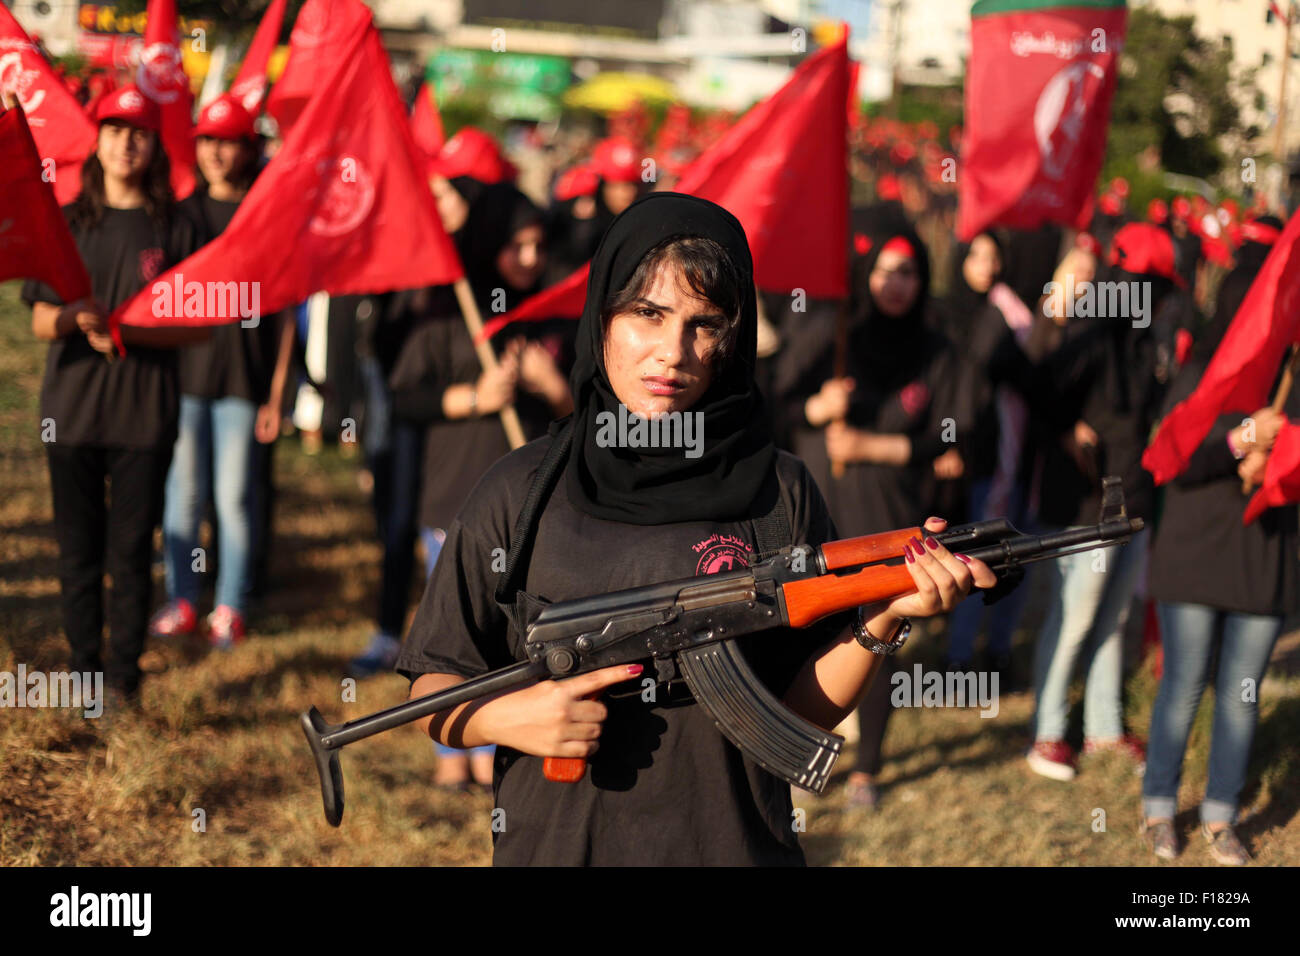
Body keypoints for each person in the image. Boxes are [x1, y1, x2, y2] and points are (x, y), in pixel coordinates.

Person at [394, 192, 996, 865]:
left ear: (731, 340)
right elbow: (432, 682)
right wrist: (507, 717)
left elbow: (801, 716)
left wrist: (883, 616)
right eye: (647, 314)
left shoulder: (778, 489)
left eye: (704, 324)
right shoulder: (520, 491)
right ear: (602, 317)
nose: (672, 352)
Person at [23, 86, 206, 704]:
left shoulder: (177, 226)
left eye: (141, 132)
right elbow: (38, 320)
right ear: (95, 141)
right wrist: (77, 318)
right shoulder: (66, 221)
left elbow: (198, 321)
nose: (126, 143)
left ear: (155, 146)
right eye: (114, 130)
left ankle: (124, 678)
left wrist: (134, 325)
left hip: (143, 416)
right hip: (70, 416)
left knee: (129, 552)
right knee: (78, 552)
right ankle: (84, 673)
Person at [385, 182, 571, 790]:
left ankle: (495, 742)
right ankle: (450, 752)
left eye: (538, 245)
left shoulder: (552, 313)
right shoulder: (451, 307)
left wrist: (552, 387)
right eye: (515, 245)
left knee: (514, 628)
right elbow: (404, 396)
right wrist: (472, 397)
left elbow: (588, 415)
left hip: (535, 502)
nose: (528, 258)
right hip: (454, 496)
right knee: (457, 620)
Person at [789, 222, 961, 810]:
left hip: (889, 510)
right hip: (820, 505)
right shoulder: (836, 333)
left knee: (881, 626)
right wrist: (819, 407)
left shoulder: (936, 349)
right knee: (810, 633)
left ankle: (867, 767)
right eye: (884, 270)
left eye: (908, 272)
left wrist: (869, 446)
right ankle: (802, 754)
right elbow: (775, 403)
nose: (895, 284)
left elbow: (949, 437)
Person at [1139, 220, 1294, 865]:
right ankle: (1158, 806)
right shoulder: (1204, 368)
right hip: (1197, 550)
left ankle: (1223, 812)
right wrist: (1243, 440)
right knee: (1185, 686)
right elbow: (1173, 458)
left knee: (1243, 691)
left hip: (1264, 554)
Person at [1024, 223, 1179, 781]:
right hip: (1088, 506)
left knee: (1113, 620)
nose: (1158, 300)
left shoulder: (1145, 339)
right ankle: (1045, 734)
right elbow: (1037, 385)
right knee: (1075, 619)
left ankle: (1104, 728)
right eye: (1153, 285)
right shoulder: (1090, 327)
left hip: (1131, 500)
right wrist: (1065, 429)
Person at [148, 94, 294, 648]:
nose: (214, 152)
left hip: (243, 386)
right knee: (182, 494)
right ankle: (182, 599)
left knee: (233, 499)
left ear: (246, 147)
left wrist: (278, 393)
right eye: (206, 140)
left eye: (226, 140)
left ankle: (230, 604)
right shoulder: (180, 217)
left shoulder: (265, 214)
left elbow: (285, 311)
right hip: (186, 380)